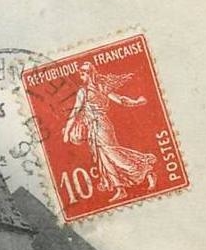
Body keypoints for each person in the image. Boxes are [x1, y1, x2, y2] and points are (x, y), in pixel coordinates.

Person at [62, 62, 157, 202]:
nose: (81, 74)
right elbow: (121, 100)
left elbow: (75, 113)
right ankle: (120, 189)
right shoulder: (98, 88)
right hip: (94, 129)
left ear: (90, 74)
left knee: (114, 154)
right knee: (104, 158)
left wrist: (66, 132)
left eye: (84, 72)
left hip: (101, 126)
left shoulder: (86, 91)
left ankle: (146, 171)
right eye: (80, 72)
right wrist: (136, 102)